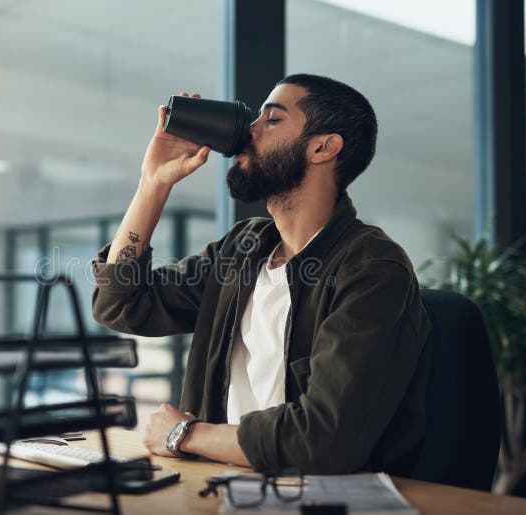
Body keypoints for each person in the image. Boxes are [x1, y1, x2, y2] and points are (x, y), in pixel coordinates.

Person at [91, 74, 431, 475]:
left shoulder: (371, 269)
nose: (249, 130)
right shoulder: (244, 249)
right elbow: (122, 305)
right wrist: (154, 183)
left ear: (323, 147)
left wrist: (184, 434)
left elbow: (321, 440)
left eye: (271, 120)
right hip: (220, 484)